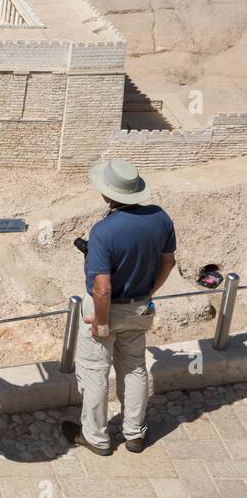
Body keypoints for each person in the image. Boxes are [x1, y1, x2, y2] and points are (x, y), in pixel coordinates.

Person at [62, 159, 176, 456]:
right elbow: (169, 262)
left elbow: (102, 287)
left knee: (95, 371)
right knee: (135, 367)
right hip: (139, 307)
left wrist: (101, 321)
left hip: (106, 309)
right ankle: (134, 433)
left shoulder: (104, 231)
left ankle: (96, 437)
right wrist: (149, 291)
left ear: (108, 193)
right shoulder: (161, 218)